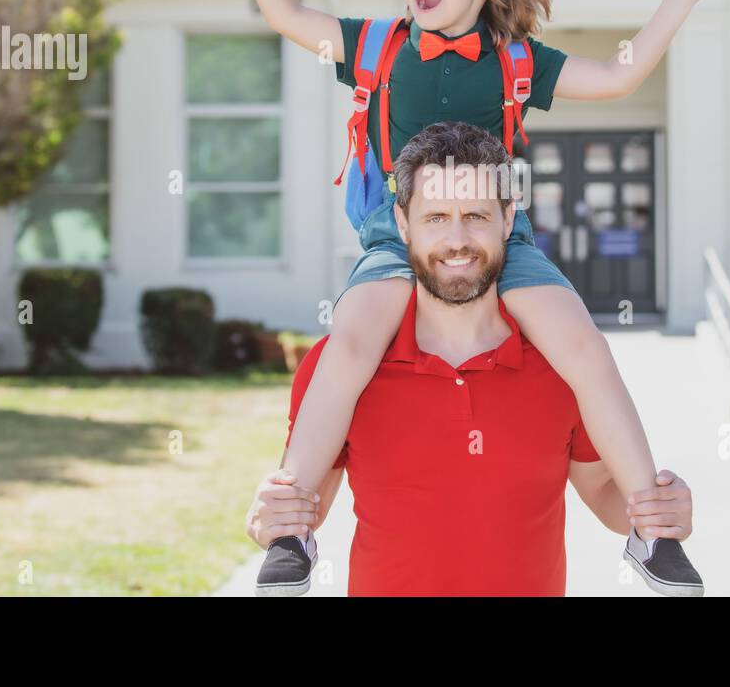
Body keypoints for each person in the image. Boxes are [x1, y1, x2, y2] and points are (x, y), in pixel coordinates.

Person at [225, 0, 715, 595]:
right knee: (351, 340)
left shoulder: (516, 59)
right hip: (401, 233)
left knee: (580, 340)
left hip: (497, 234)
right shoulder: (376, 46)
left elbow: (618, 74)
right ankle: (293, 529)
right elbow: (286, 11)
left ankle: (653, 531)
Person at [246, 122, 701, 596]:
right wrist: (270, 516)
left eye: (476, 216)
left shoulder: (561, 361)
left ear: (508, 220)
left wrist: (654, 511)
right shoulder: (344, 363)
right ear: (403, 224)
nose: (457, 240)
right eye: (436, 217)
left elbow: (604, 494)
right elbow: (308, 507)